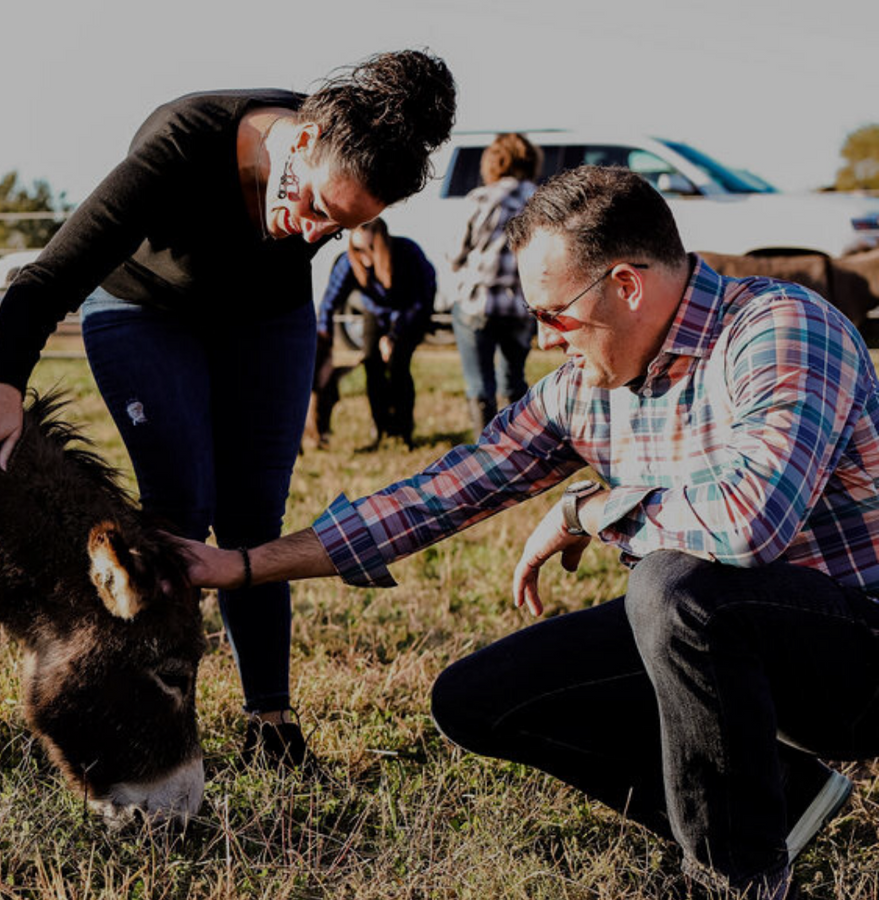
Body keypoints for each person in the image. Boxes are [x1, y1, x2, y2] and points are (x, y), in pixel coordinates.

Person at [180, 166, 878, 897]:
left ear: (627, 285)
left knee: (672, 587)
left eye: (555, 315)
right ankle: (784, 801)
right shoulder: (582, 389)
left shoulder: (780, 329)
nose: (543, 341)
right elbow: (439, 493)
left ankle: (737, 877)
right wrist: (245, 565)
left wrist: (588, 510)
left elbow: (749, 524)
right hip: (734, 655)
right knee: (479, 697)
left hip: (861, 657)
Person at [0, 51, 456, 767]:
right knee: (180, 502)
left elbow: (311, 228)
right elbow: (47, 277)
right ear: (298, 140)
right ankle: (151, 710)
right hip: (143, 308)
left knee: (251, 520)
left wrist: (317, 225)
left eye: (336, 229)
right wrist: (2, 383)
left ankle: (272, 724)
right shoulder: (184, 143)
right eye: (314, 206)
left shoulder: (336, 158)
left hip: (264, 319)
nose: (310, 233)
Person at [311, 218, 435, 449]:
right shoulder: (348, 263)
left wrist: (394, 336)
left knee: (398, 365)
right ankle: (381, 429)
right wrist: (323, 343)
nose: (364, 256)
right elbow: (329, 302)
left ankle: (404, 430)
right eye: (357, 249)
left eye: (369, 248)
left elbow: (418, 301)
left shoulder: (406, 253)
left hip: (410, 313)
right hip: (375, 314)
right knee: (372, 365)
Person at [449, 132, 540, 436]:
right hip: (521, 305)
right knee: (514, 380)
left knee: (480, 384)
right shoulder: (542, 201)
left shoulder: (481, 198)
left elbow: (455, 254)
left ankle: (485, 450)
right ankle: (519, 445)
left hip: (478, 302)